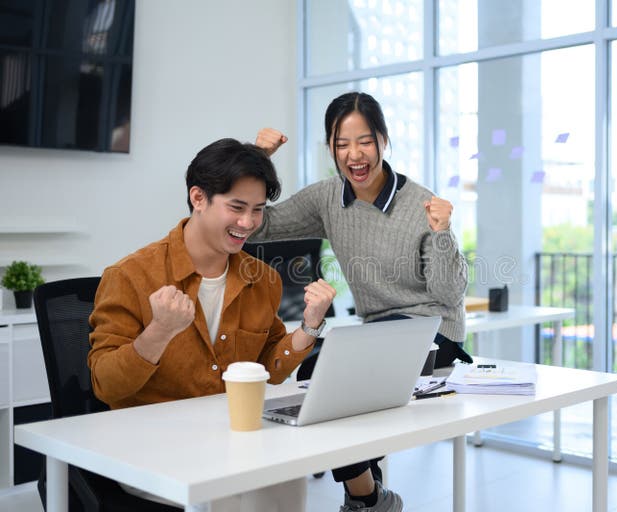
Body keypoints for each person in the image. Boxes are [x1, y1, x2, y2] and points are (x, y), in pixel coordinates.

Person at [88, 138, 336, 512]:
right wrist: (158, 332)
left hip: (229, 439)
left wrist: (309, 326)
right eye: (236, 207)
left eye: (257, 210)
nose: (248, 223)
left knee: (285, 476)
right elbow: (106, 386)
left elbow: (266, 370)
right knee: (230, 492)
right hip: (149, 447)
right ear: (198, 198)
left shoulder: (263, 280)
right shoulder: (131, 276)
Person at [253, 91, 471, 512]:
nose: (354, 154)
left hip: (433, 334)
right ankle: (369, 496)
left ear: (384, 141)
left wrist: (443, 233)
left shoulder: (420, 204)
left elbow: (448, 296)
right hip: (379, 334)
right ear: (330, 149)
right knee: (319, 377)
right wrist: (257, 158)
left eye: (365, 141)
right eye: (341, 144)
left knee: (330, 377)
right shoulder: (327, 199)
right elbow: (258, 226)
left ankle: (367, 499)